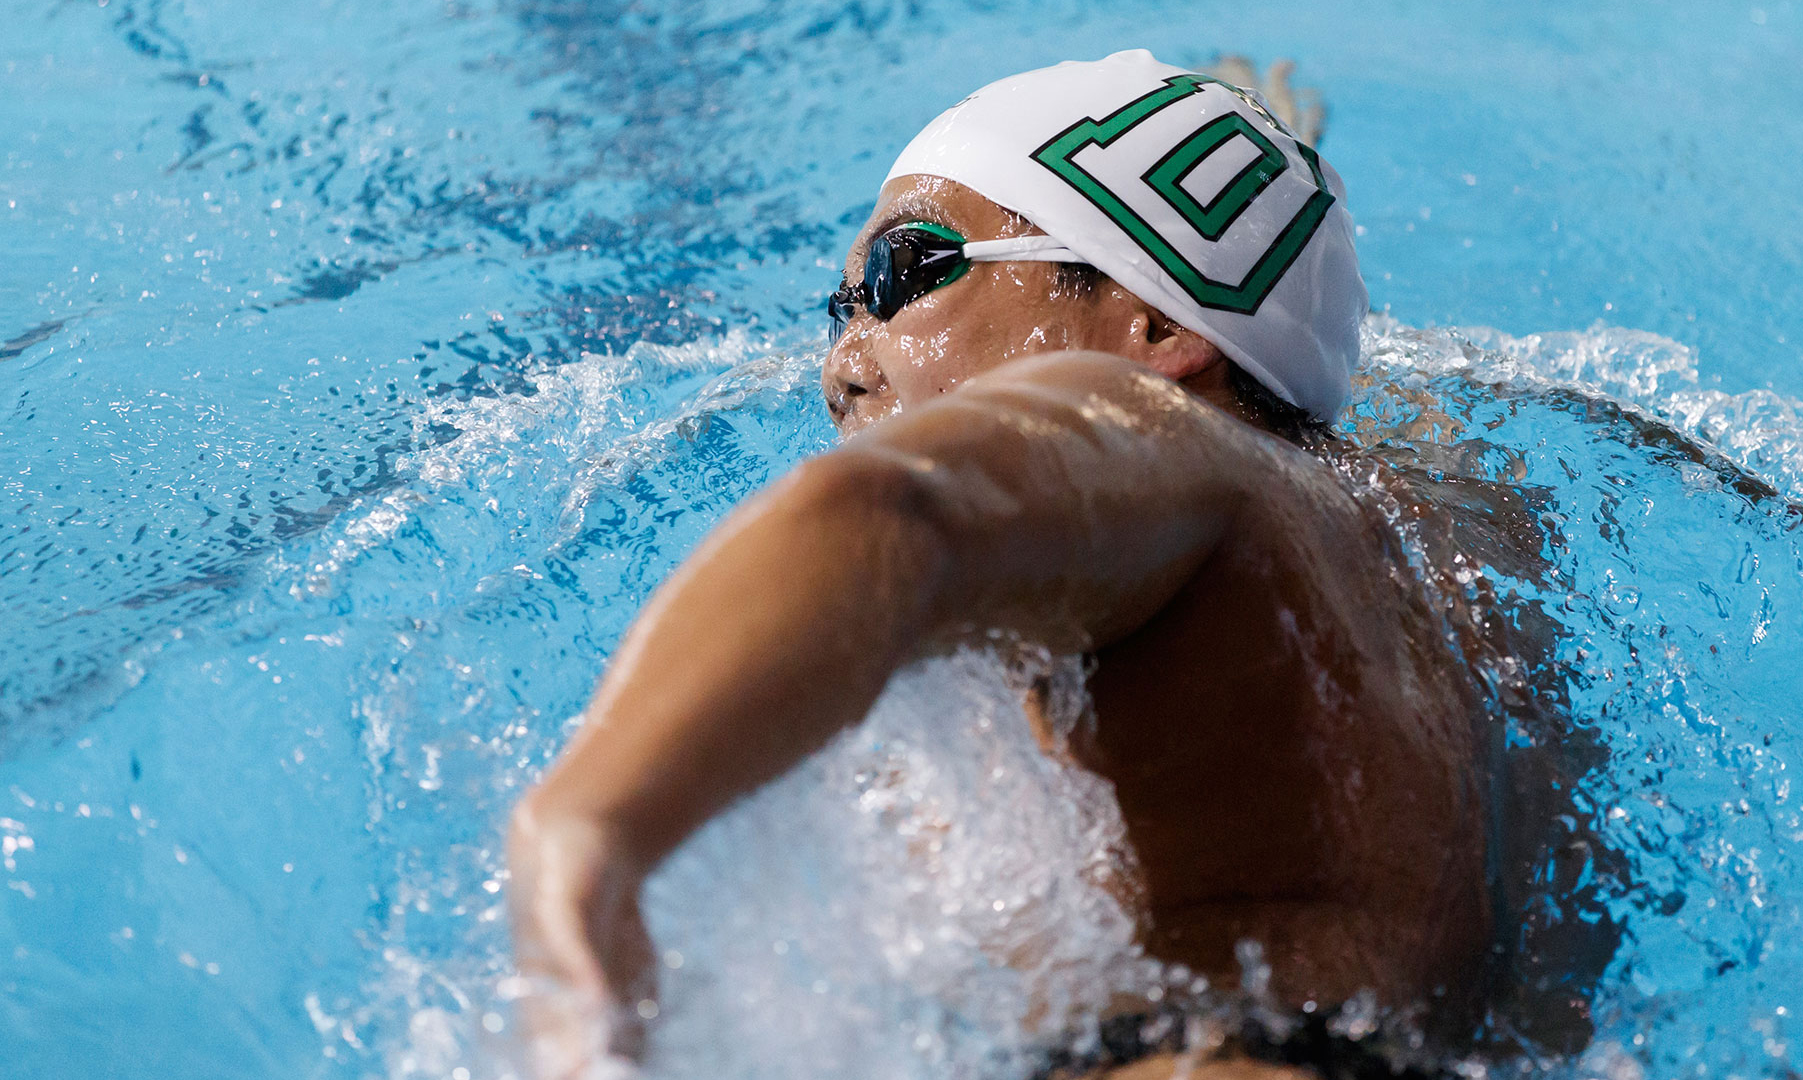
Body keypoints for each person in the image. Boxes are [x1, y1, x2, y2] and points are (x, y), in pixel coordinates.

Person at [507, 50, 1595, 1078]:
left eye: (904, 272)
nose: (841, 364)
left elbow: (893, 514)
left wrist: (588, 831)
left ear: (1154, 329)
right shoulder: (1447, 543)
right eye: (838, 312)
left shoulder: (1151, 427)